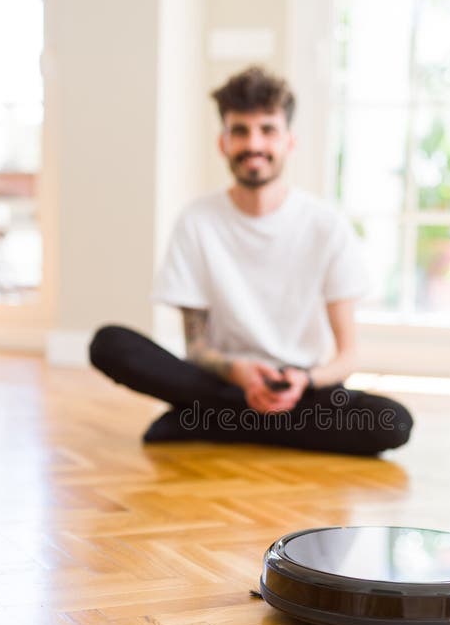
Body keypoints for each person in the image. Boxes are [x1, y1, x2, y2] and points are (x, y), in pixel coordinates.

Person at [89, 67, 413, 455]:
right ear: (222, 142)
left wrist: (305, 380)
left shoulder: (326, 225)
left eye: (267, 130)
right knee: (109, 344)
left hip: (303, 390)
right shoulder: (197, 221)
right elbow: (197, 348)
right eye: (240, 131)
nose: (253, 143)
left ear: (289, 141)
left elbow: (347, 356)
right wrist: (240, 373)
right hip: (224, 381)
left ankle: (209, 420)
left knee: (393, 422)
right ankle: (232, 417)